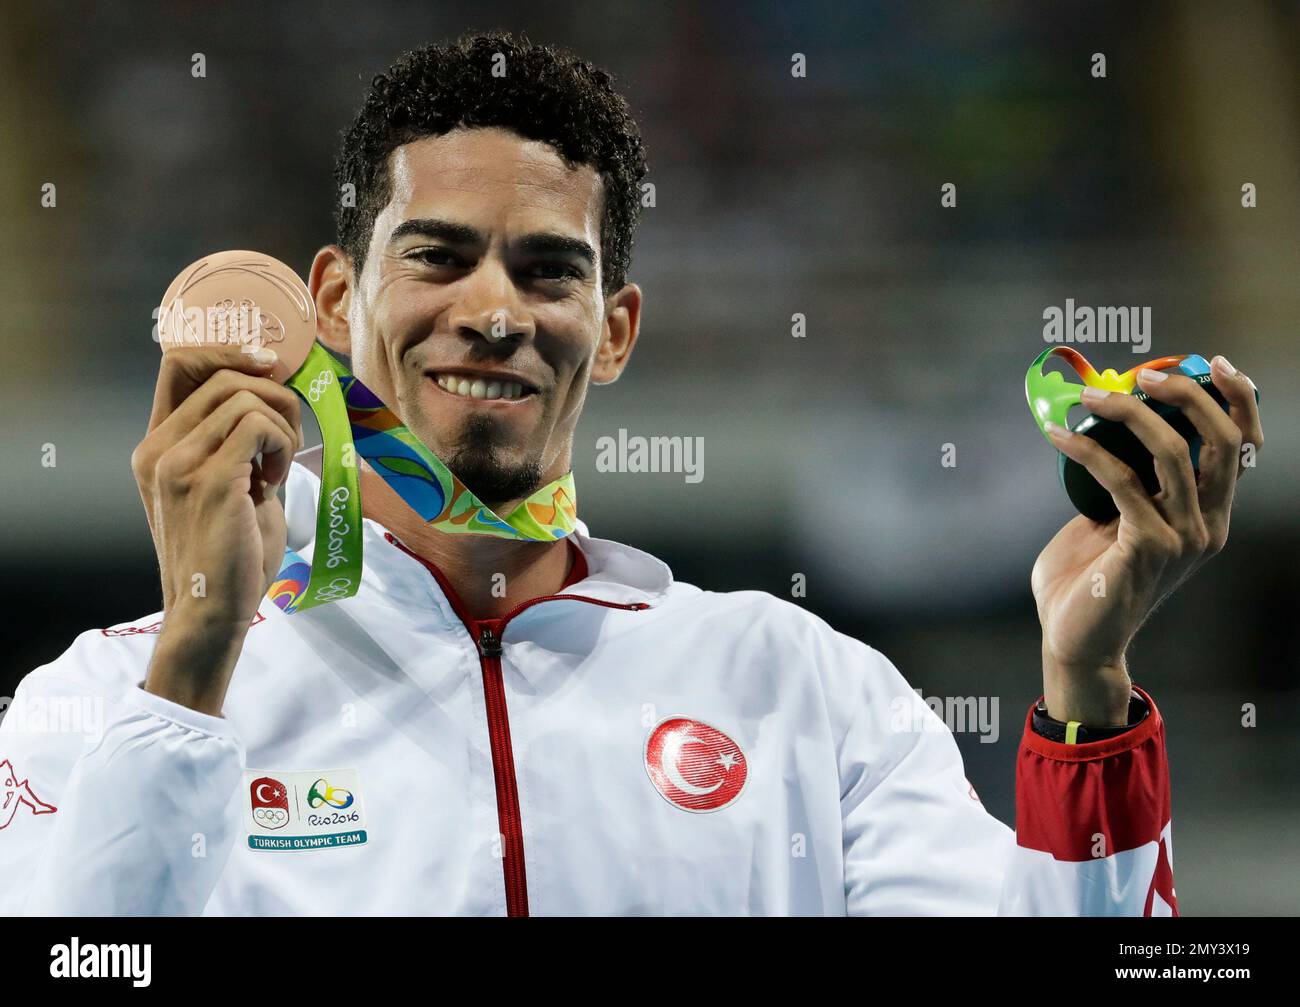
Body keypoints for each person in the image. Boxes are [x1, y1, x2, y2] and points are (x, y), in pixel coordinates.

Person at [0, 32, 1263, 916]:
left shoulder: (801, 691)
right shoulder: (103, 698)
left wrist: (1084, 684)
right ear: (335, 299)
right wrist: (196, 665)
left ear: (613, 328)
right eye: (436, 256)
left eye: (549, 270)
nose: (493, 312)